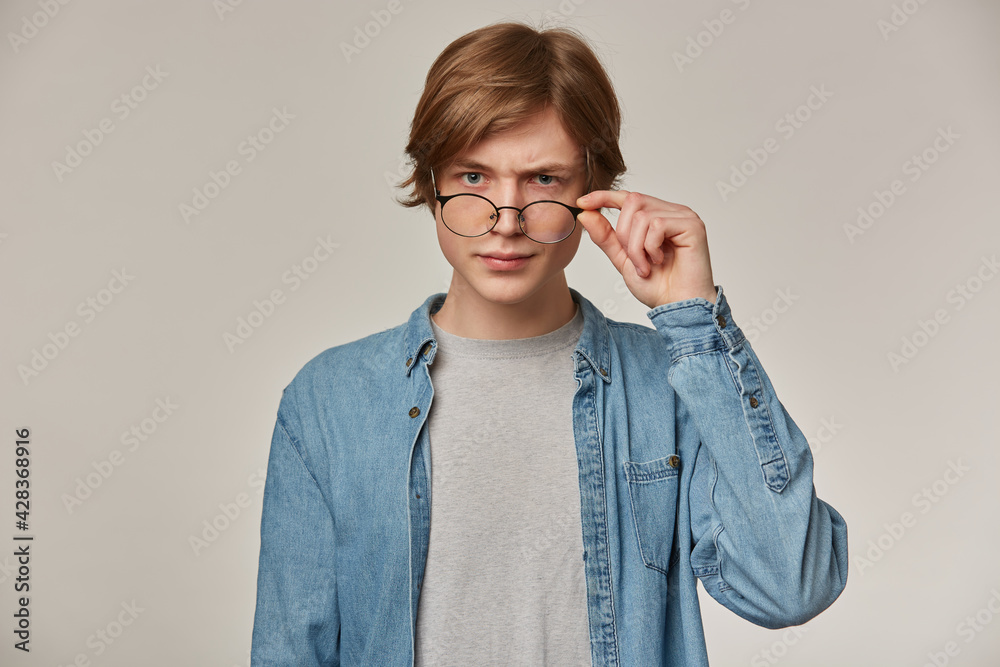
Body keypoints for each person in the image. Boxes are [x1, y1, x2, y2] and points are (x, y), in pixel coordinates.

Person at [250, 21, 848, 666]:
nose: (505, 220)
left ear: (594, 189)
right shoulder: (331, 400)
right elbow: (291, 651)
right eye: (473, 177)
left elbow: (790, 588)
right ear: (430, 182)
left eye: (542, 180)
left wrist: (695, 323)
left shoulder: (668, 386)